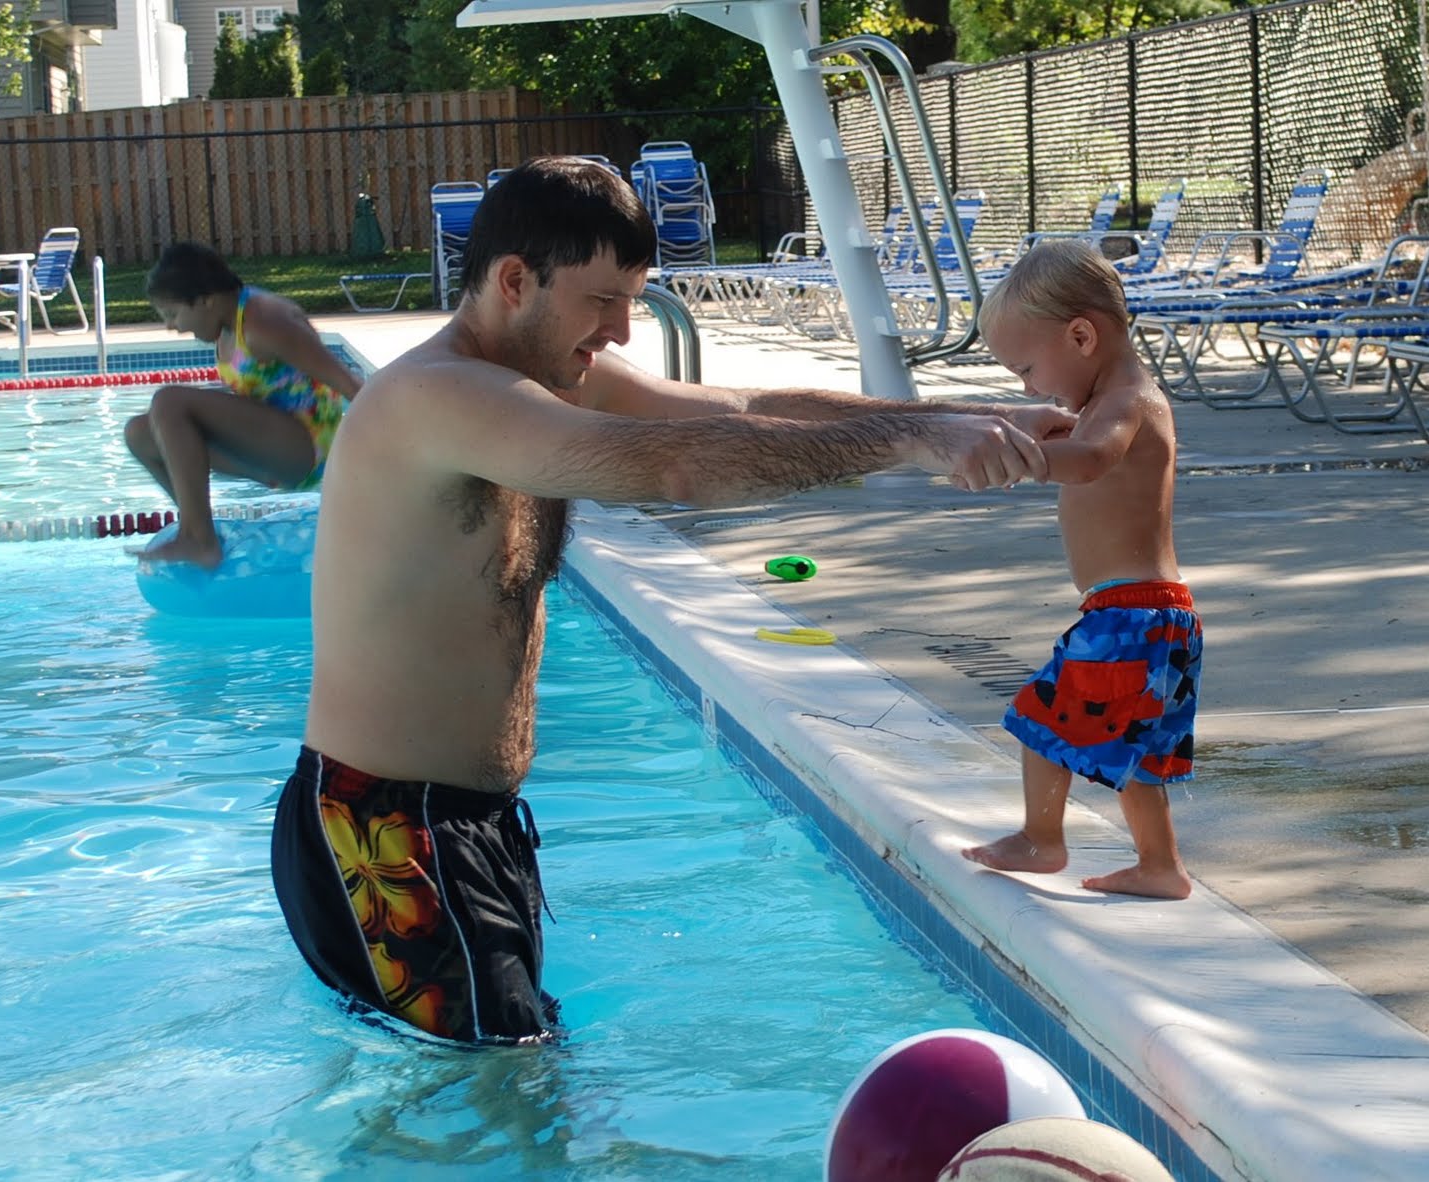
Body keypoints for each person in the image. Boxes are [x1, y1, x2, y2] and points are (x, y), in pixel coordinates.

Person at [270, 155, 1075, 1044]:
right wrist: (918, 440)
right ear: (513, 281)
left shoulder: (546, 378)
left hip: (465, 825)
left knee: (500, 1089)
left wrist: (959, 420)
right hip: (384, 832)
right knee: (503, 1097)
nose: (621, 331)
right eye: (602, 301)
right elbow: (680, 465)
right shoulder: (435, 398)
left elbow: (738, 404)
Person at [960, 239, 1202, 901]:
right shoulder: (1113, 399)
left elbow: (1093, 459)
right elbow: (1083, 446)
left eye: (1028, 368)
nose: (1028, 386)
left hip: (1132, 615)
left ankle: (1043, 838)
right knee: (1144, 756)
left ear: (1080, 335)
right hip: (1157, 615)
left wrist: (1027, 461)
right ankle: (1160, 866)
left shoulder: (1128, 402)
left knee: (1042, 716)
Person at [125, 242, 363, 567]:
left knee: (168, 401)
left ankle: (200, 541)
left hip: (308, 448)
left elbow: (347, 382)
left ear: (206, 300)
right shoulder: (225, 327)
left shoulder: (263, 321)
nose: (172, 327)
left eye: (173, 314)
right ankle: (194, 528)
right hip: (269, 453)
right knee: (138, 433)